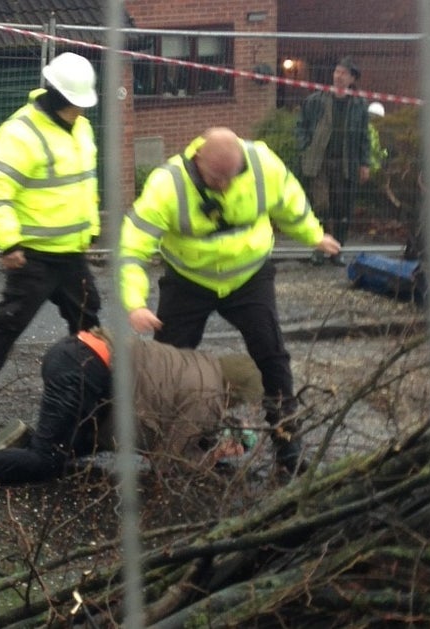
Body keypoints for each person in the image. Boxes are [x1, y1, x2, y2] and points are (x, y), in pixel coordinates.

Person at [119, 127, 340, 474]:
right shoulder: (168, 184)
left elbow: (291, 204)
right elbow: (133, 246)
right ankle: (167, 447)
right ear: (198, 161)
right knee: (167, 365)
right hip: (189, 280)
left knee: (272, 356)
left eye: (231, 177)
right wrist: (135, 302)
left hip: (249, 276)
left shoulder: (263, 164)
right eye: (215, 178)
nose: (223, 186)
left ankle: (287, 447)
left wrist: (314, 236)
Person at [0, 52, 104, 427]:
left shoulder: (81, 128)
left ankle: (90, 397)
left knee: (89, 326)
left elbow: (84, 183)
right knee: (8, 326)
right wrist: (9, 242)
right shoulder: (19, 133)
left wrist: (90, 227)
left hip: (71, 254)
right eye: (80, 103)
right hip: (32, 257)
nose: (83, 110)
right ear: (66, 99)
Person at [0, 329, 264, 484]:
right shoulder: (206, 395)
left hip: (77, 355)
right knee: (47, 463)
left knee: (71, 449)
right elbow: (172, 464)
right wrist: (216, 456)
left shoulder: (199, 365)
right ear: (235, 392)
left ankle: (31, 438)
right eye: (242, 402)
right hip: (85, 368)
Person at [295, 56, 371, 267]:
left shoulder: (359, 105)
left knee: (341, 208)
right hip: (319, 162)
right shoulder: (316, 100)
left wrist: (365, 163)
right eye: (336, 72)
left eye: (343, 73)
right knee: (321, 205)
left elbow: (365, 136)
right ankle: (319, 248)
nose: (338, 76)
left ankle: (337, 249)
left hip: (346, 163)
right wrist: (305, 147)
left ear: (352, 78)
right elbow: (300, 125)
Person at [367, 101, 388, 174]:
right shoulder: (373, 130)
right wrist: (385, 153)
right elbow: (375, 148)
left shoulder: (368, 127)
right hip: (372, 167)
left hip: (368, 166)